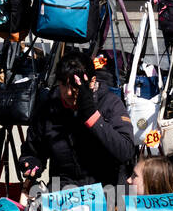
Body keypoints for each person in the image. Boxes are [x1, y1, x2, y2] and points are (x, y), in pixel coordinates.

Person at [19, 52, 137, 189]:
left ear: (92, 82)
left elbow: (126, 152)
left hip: (107, 190)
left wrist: (92, 116)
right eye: (64, 84)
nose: (69, 92)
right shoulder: (48, 107)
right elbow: (32, 151)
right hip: (65, 192)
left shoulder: (110, 103)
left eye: (75, 85)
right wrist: (31, 162)